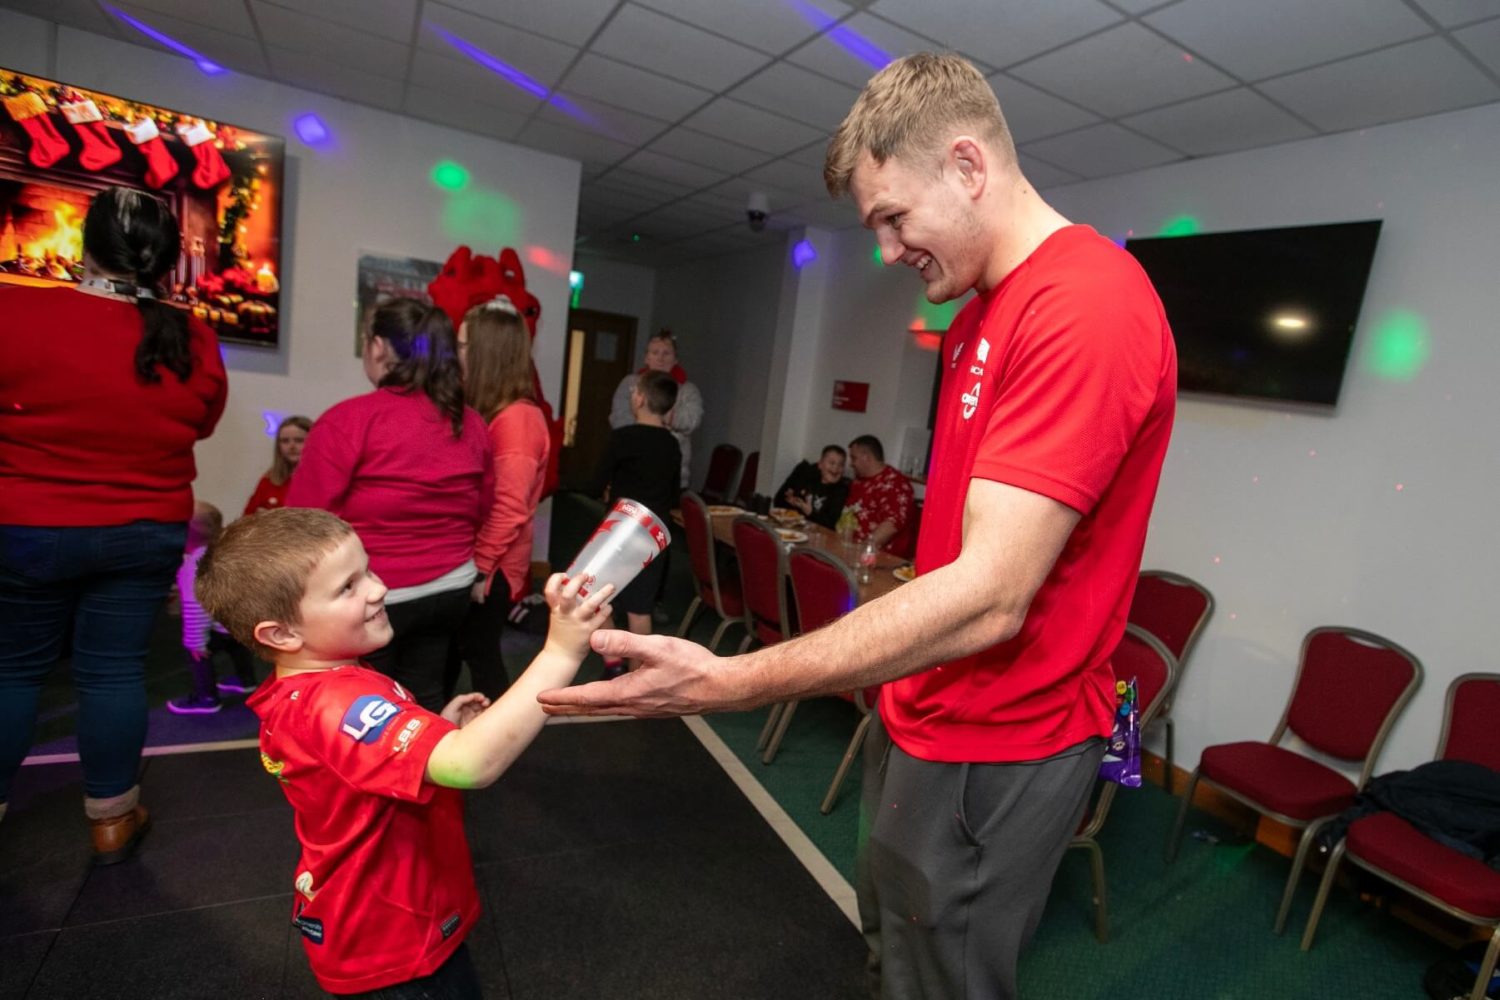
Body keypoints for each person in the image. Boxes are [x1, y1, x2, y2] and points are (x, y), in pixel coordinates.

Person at [538, 52, 1177, 1000]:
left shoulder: (1086, 303)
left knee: (943, 977)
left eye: (892, 218)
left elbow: (994, 597)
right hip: (924, 706)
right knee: (892, 948)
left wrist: (735, 679)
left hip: (999, 737)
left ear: (968, 167)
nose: (884, 249)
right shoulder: (978, 312)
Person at [195, 507, 612, 998]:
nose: (378, 589)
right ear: (281, 634)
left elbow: (361, 763)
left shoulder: (315, 686)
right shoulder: (336, 703)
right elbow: (471, 764)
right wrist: (561, 653)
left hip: (379, 924)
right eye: (347, 587)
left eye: (367, 570)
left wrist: (436, 734)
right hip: (394, 943)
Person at [0, 186, 227, 861]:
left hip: (25, 526)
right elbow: (202, 422)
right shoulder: (193, 334)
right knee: (114, 671)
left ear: (84, 243)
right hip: (145, 528)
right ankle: (111, 816)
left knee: (12, 670)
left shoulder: (15, 307)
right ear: (164, 259)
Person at [287, 299, 491, 713]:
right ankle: (425, 775)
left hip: (378, 594)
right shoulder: (470, 422)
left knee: (367, 706)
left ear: (378, 346)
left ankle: (377, 778)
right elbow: (481, 506)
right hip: (450, 591)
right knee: (425, 699)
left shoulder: (350, 419)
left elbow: (302, 520)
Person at [455, 296, 550, 700]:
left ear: (484, 353)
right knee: (468, 654)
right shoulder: (490, 411)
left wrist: (479, 570)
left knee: (480, 658)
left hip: (488, 571)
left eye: (461, 345)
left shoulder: (517, 419)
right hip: (476, 562)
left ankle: (495, 745)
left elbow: (509, 508)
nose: (454, 353)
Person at [590, 370, 681, 679]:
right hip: (654, 533)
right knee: (639, 610)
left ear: (639, 399)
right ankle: (636, 677)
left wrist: (606, 489)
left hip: (620, 530)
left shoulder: (622, 437)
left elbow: (594, 482)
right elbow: (673, 493)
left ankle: (613, 663)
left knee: (595, 597)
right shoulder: (672, 445)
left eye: (633, 392)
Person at [166, 501, 258, 715]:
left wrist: (195, 642)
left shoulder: (193, 566)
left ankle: (206, 697)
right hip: (241, 624)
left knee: (196, 654)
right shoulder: (229, 552)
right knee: (237, 646)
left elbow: (195, 608)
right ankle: (246, 679)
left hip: (219, 626)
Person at [609, 330, 702, 489]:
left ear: (675, 359)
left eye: (666, 353)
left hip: (671, 475)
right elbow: (619, 420)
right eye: (655, 352)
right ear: (647, 358)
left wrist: (661, 414)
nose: (660, 358)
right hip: (632, 469)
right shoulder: (630, 384)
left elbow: (692, 421)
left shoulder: (688, 390)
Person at [841, 435, 914, 553]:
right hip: (849, 548)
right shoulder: (859, 480)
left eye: (854, 458)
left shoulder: (895, 484)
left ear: (867, 457)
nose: (851, 463)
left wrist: (863, 551)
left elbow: (892, 524)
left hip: (877, 557)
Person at [243, 414, 312, 515]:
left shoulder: (324, 480)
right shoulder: (269, 479)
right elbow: (246, 519)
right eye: (285, 441)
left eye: (299, 440)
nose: (291, 446)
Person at [774, 445, 850, 529]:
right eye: (832, 463)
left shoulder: (841, 491)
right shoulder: (809, 480)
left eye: (841, 465)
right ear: (820, 465)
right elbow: (779, 502)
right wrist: (792, 502)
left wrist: (810, 512)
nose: (836, 468)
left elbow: (831, 523)